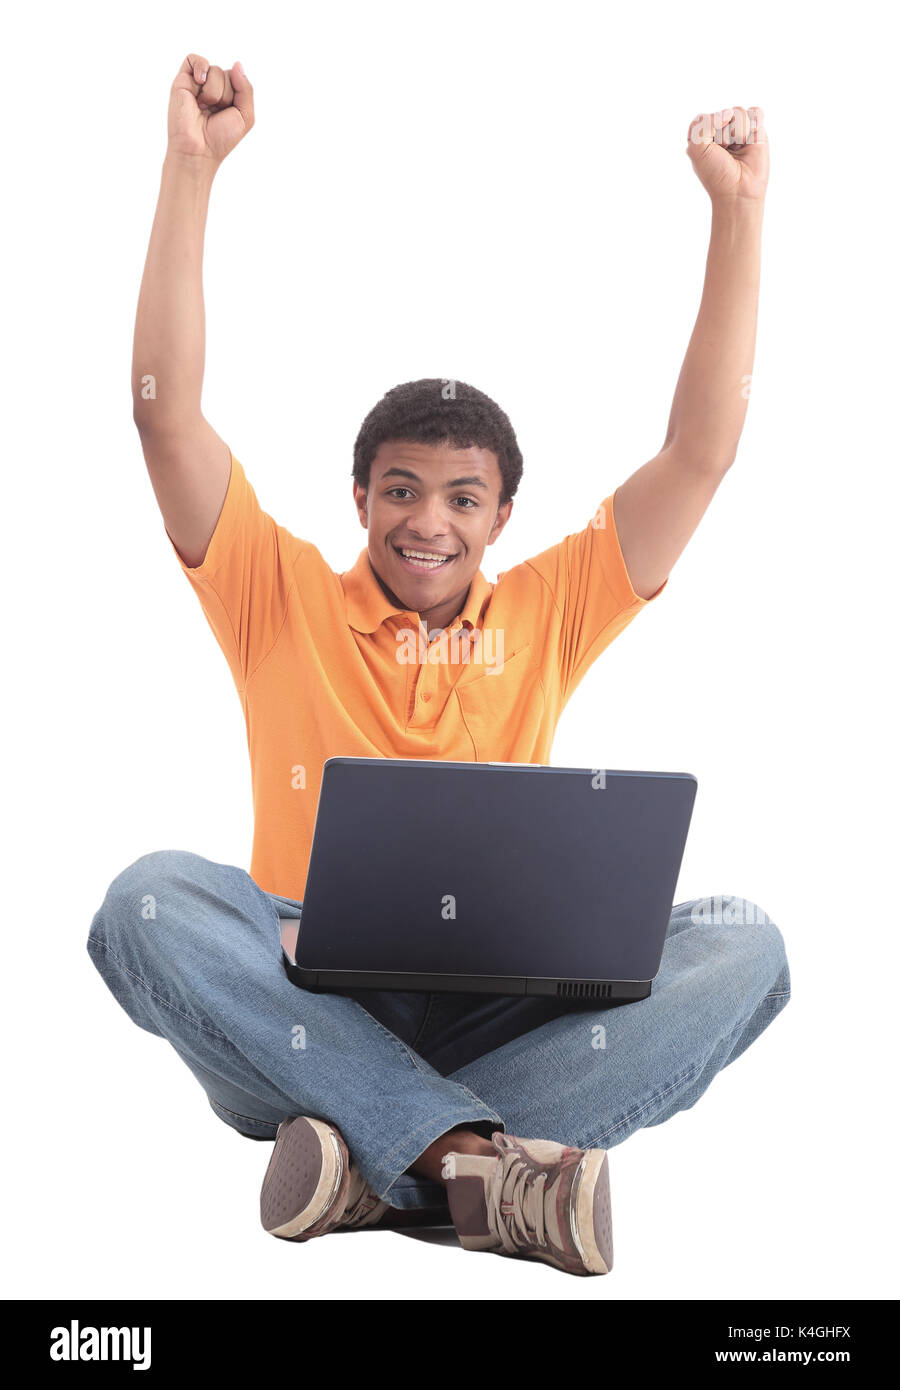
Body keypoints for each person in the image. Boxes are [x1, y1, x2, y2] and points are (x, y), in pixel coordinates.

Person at [87, 55, 790, 1276]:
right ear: (360, 496)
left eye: (463, 498)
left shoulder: (554, 608)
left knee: (747, 941)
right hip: (299, 1008)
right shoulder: (279, 589)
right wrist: (190, 169)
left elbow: (702, 451)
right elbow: (162, 411)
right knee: (145, 900)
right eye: (402, 489)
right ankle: (476, 1160)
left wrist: (738, 213)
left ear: (502, 516)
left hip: (494, 1007)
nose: (429, 520)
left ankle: (370, 1162)